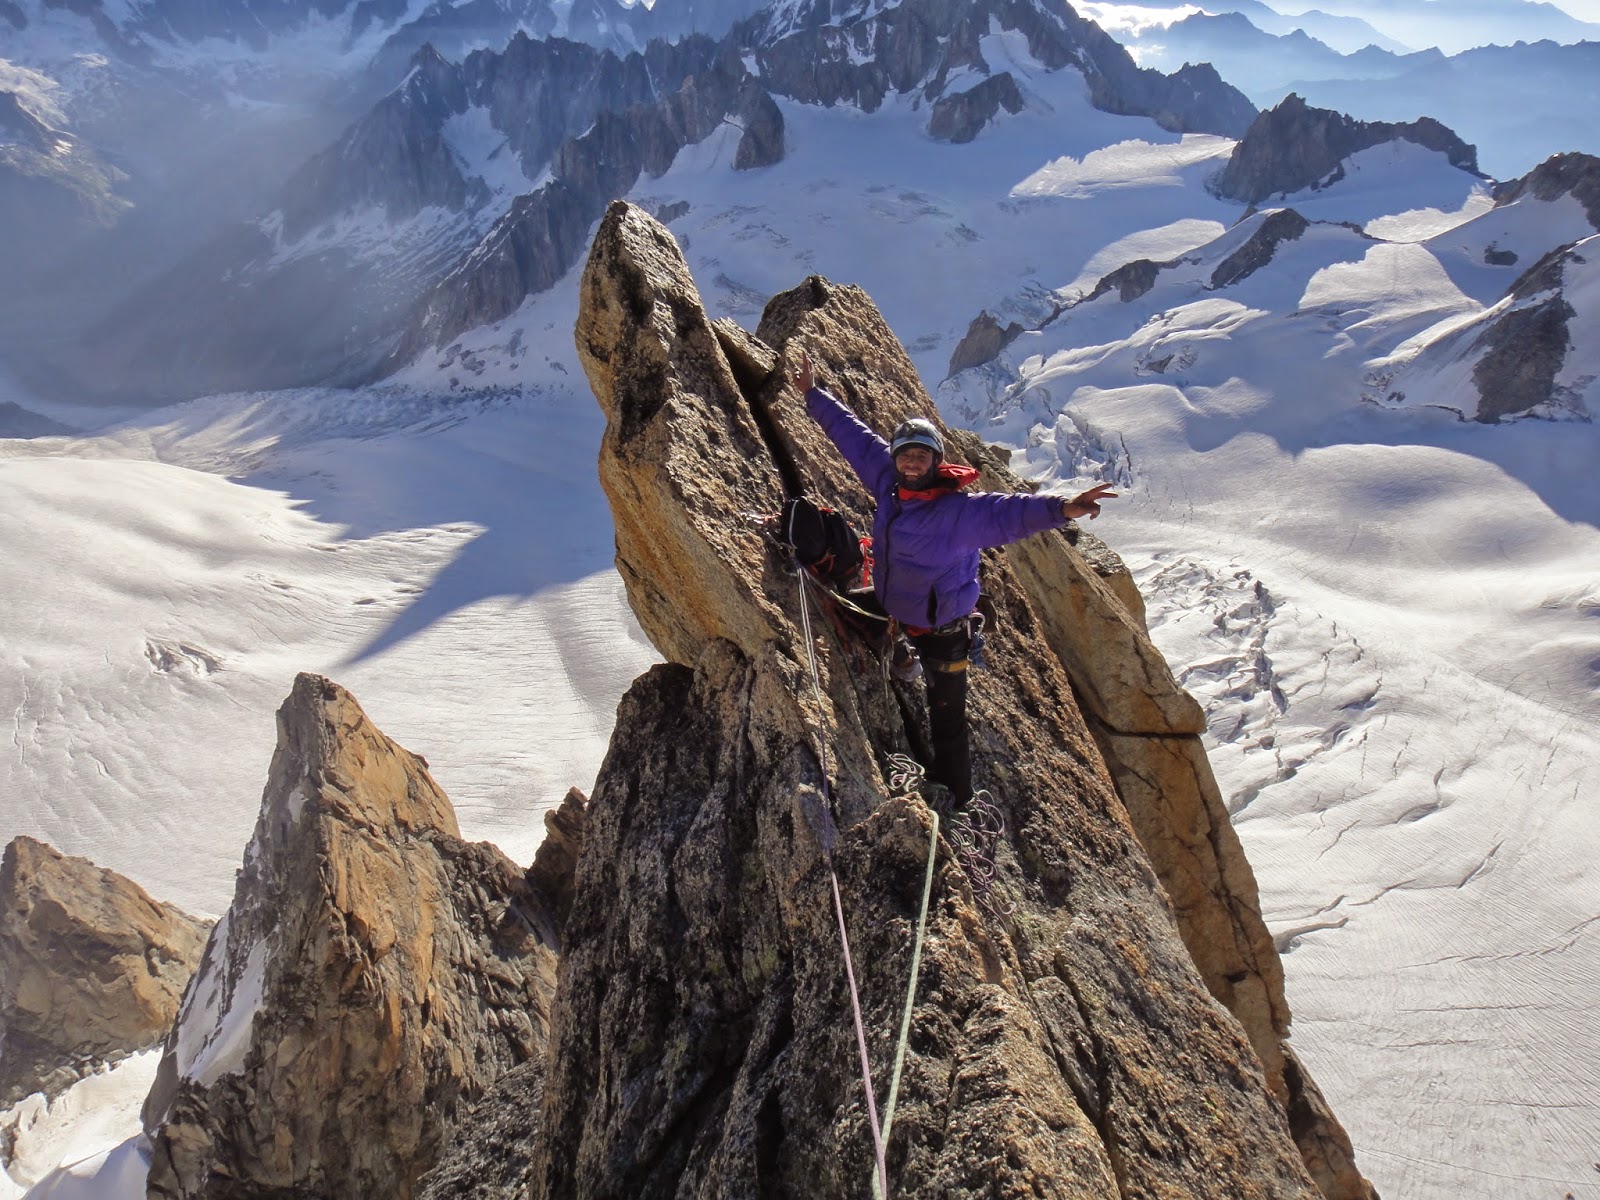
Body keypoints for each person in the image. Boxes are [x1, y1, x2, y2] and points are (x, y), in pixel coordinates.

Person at [790, 351, 1116, 807]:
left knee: (947, 720)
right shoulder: (887, 480)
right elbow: (855, 439)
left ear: (935, 462)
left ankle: (957, 799)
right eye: (906, 455)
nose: (911, 464)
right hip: (894, 603)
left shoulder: (959, 512)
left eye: (921, 457)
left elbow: (1011, 513)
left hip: (943, 631)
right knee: (840, 609)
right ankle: (901, 654)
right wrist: (812, 394)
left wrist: (1064, 508)